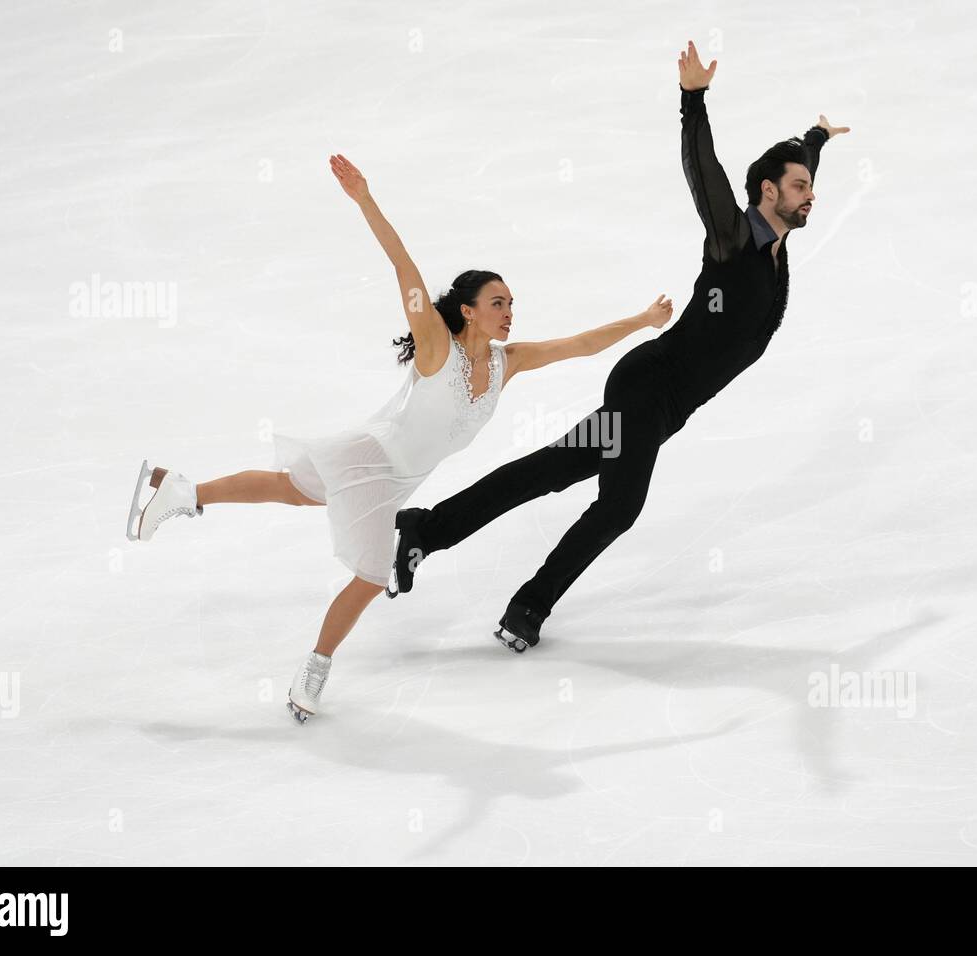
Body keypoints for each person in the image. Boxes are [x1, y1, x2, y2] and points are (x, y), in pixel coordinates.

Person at [124, 154, 673, 721]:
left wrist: (641, 320)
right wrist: (365, 199)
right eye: (498, 303)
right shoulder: (437, 345)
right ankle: (314, 670)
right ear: (468, 310)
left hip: (393, 470)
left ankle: (182, 493)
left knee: (292, 489)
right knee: (369, 572)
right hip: (375, 462)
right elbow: (403, 266)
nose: (509, 312)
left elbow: (580, 345)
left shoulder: (509, 363)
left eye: (512, 303)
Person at [388, 41, 851, 652]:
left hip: (664, 404)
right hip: (649, 388)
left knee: (549, 471)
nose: (810, 194)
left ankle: (426, 529)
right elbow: (704, 174)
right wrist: (693, 100)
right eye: (799, 186)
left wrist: (814, 139)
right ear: (768, 192)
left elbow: (795, 167)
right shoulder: (734, 238)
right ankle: (528, 607)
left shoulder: (775, 247)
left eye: (810, 185)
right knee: (620, 507)